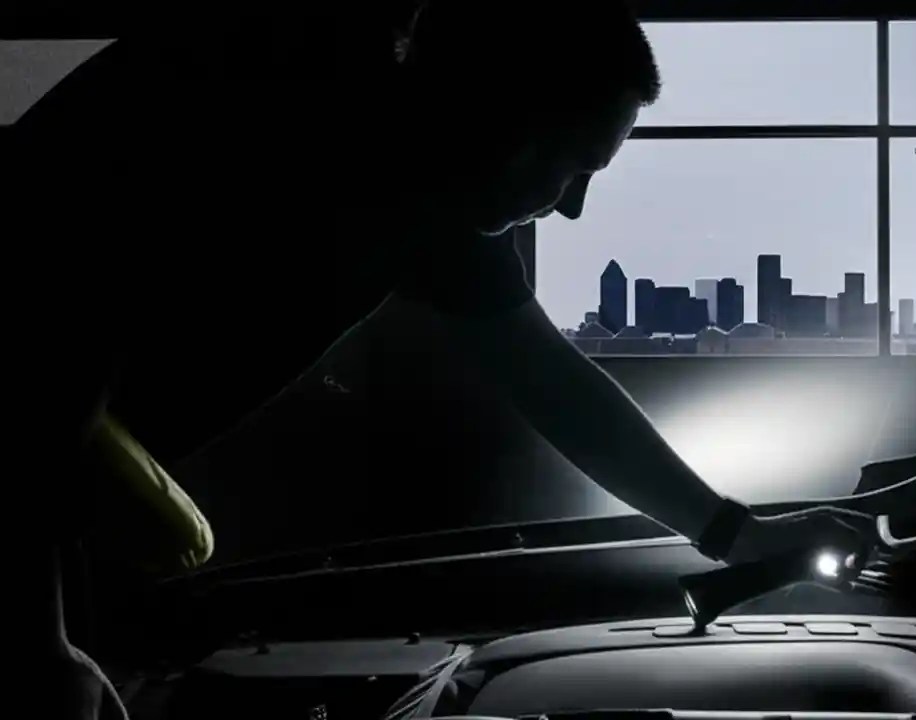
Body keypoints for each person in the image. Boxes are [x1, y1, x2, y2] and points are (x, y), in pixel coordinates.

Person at [14, 1, 867, 716]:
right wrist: (31, 639)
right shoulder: (262, 93)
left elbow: (554, 384)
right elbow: (44, 333)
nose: (570, 210)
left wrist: (736, 536)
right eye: (575, 169)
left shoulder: (429, 197)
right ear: (511, 118)